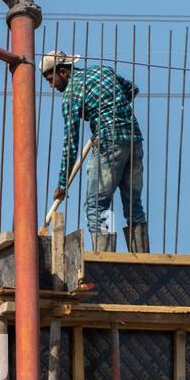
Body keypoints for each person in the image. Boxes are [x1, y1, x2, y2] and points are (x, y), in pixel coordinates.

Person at [42, 50, 147, 253]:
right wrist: (110, 106)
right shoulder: (103, 71)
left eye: (50, 78)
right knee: (133, 205)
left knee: (96, 206)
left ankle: (106, 256)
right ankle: (145, 258)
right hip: (134, 140)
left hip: (109, 143)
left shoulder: (71, 95)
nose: (51, 85)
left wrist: (62, 184)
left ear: (63, 71)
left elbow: (71, 142)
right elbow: (132, 89)